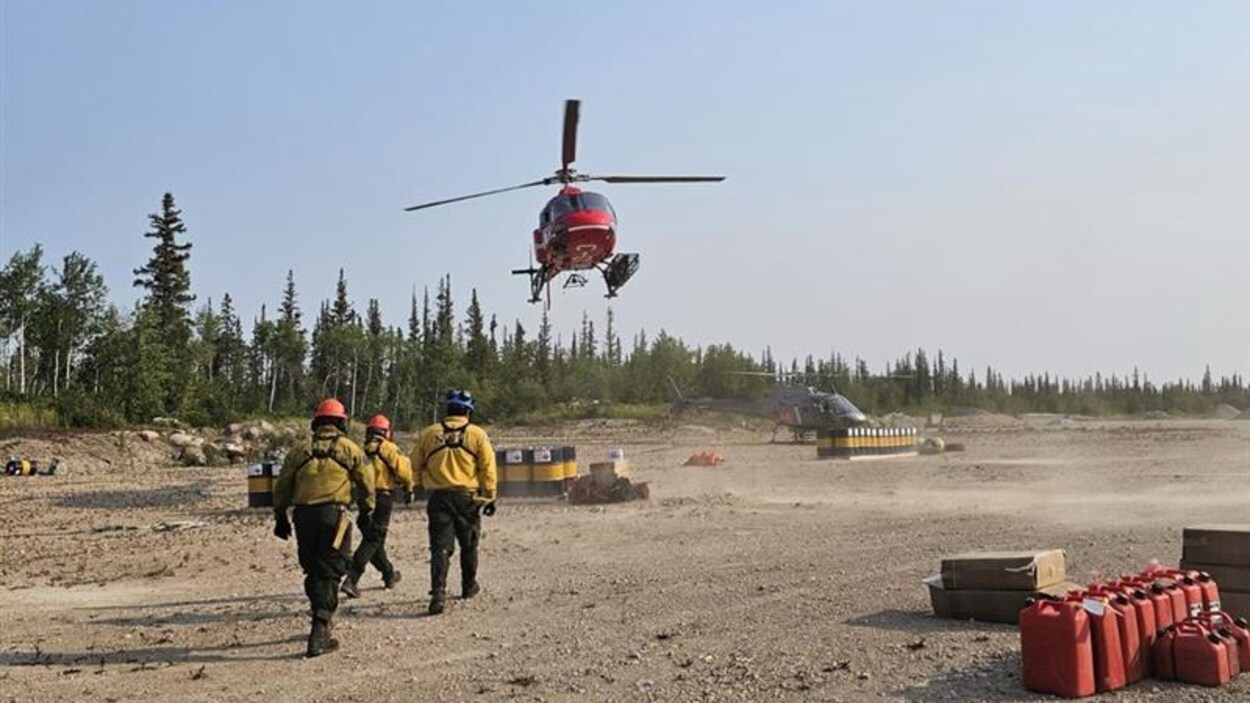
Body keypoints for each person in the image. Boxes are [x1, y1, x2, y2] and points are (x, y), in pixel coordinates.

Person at [272, 398, 373, 657]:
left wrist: (280, 515)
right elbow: (367, 481)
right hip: (335, 517)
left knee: (313, 569)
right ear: (342, 422)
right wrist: (367, 509)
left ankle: (320, 617)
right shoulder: (349, 449)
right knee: (331, 570)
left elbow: (282, 485)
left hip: (303, 517)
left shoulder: (299, 450)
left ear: (316, 422)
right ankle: (320, 629)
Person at [413, 389, 497, 615]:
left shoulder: (428, 434)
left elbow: (415, 465)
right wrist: (489, 496)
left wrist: (417, 486)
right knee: (469, 544)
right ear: (468, 411)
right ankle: (468, 586)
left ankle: (438, 594)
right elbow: (487, 467)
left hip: (438, 498)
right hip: (467, 498)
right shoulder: (477, 435)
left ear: (448, 409)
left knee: (440, 547)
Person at [342, 413, 414, 598]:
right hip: (383, 498)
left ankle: (389, 574)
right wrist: (409, 488)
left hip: (364, 498)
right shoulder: (389, 449)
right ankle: (351, 579)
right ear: (386, 432)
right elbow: (405, 473)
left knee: (373, 540)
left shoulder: (361, 451)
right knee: (373, 540)